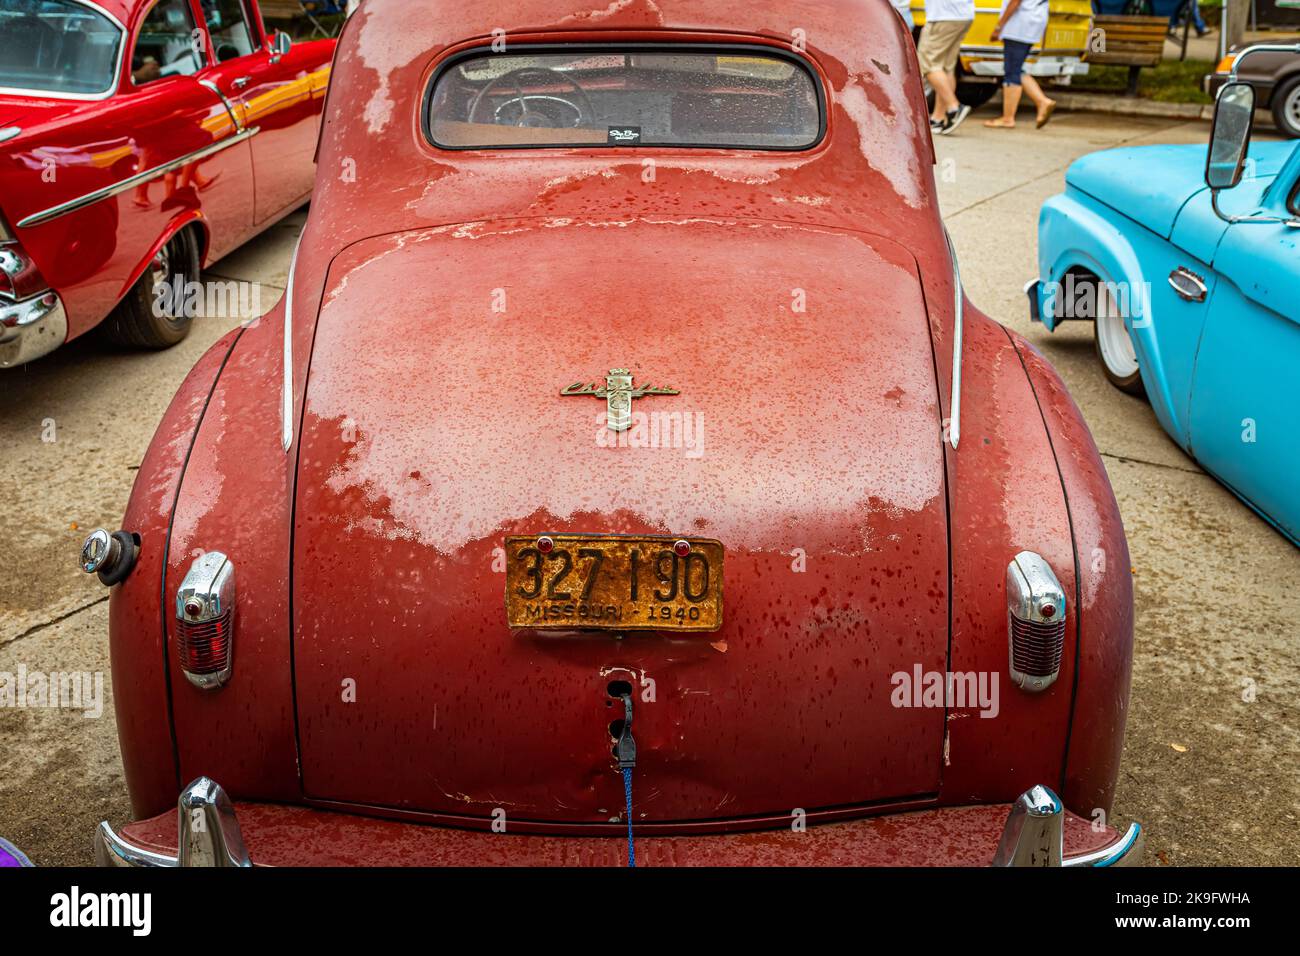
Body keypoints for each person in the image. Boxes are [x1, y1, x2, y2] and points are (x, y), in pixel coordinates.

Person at [983, 0, 1056, 129]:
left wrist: (999, 26)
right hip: (1034, 21)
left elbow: (1015, 1)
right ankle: (1042, 102)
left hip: (1019, 25)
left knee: (1011, 72)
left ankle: (1008, 118)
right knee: (1016, 69)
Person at [917, 0, 974, 135]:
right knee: (946, 67)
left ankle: (954, 107)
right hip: (963, 14)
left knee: (928, 65)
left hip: (943, 16)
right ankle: (938, 117)